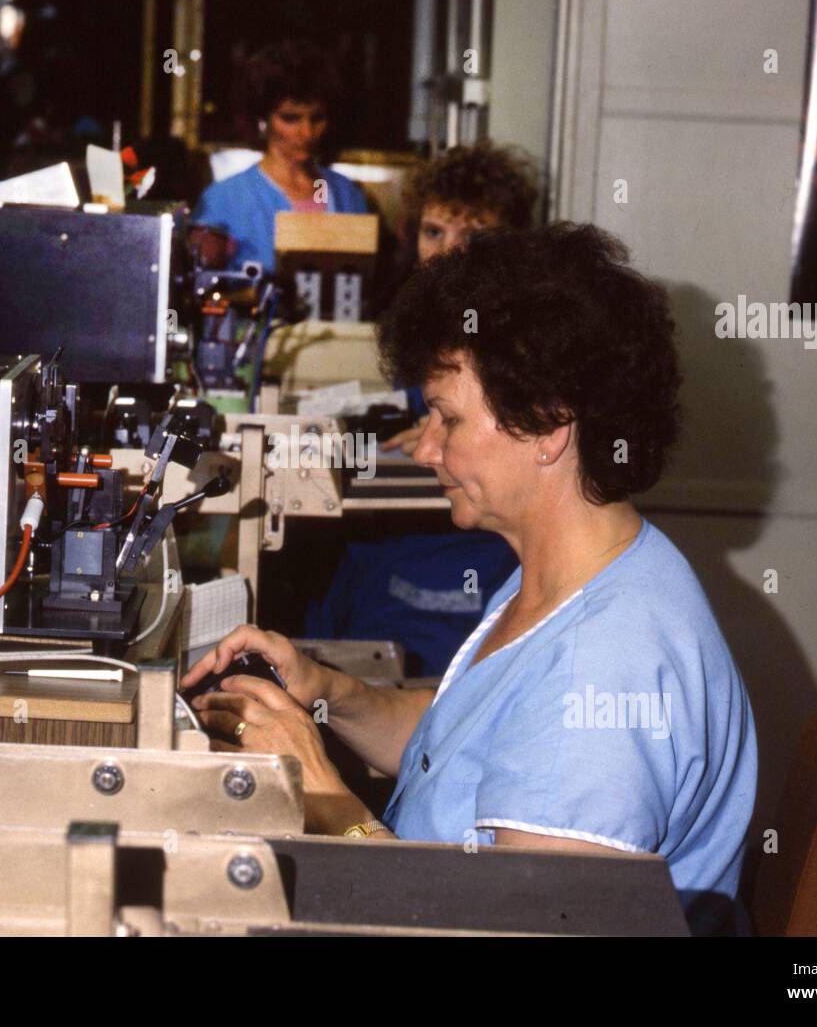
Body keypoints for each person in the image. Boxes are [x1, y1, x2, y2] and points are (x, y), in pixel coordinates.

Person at [183, 223, 759, 936]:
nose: (425, 448)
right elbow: (465, 746)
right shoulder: (578, 570)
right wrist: (331, 693)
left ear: (548, 423)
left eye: (448, 419)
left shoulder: (604, 668)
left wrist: (325, 798)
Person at [305, 143, 542, 679]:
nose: (448, 251)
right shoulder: (419, 321)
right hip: (389, 543)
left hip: (473, 555)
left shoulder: (526, 338)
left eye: (472, 236)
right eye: (433, 232)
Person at [191, 40, 368, 274]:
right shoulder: (224, 200)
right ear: (262, 119)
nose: (306, 132)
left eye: (317, 118)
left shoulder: (347, 195)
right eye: (290, 118)